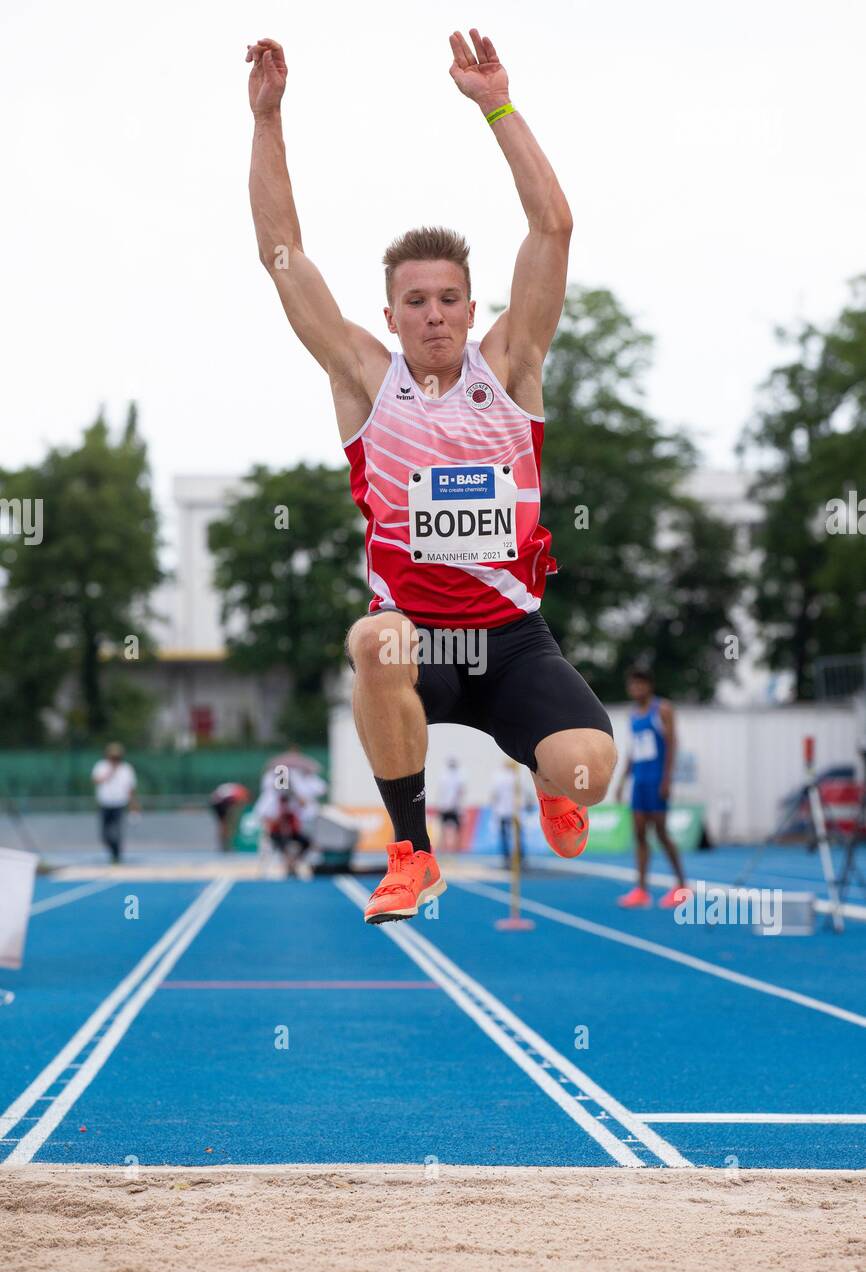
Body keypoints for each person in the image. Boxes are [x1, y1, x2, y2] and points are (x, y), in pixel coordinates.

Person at [247, 29, 617, 924]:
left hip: (513, 638)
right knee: (374, 642)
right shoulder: (366, 382)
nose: (435, 315)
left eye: (449, 298)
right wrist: (268, 120)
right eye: (415, 301)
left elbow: (553, 226)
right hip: (419, 640)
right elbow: (281, 254)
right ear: (392, 314)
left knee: (588, 772)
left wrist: (497, 104)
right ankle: (412, 854)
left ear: (472, 306)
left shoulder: (513, 367)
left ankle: (550, 783)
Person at [614, 666, 690, 908]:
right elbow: (632, 751)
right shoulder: (633, 715)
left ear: (649, 686)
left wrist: (667, 779)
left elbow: (672, 744)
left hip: (657, 779)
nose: (636, 689)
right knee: (639, 834)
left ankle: (681, 886)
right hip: (640, 781)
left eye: (640, 684)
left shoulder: (663, 709)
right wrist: (622, 781)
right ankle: (641, 889)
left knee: (661, 832)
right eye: (632, 685)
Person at [91, 743, 138, 864]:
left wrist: (133, 805)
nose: (114, 759)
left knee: (117, 832)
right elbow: (95, 780)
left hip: (119, 804)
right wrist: (110, 773)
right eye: (112, 756)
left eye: (117, 756)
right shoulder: (100, 766)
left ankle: (116, 855)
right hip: (105, 804)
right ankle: (113, 851)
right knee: (104, 834)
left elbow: (130, 788)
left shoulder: (126, 768)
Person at [489, 760, 527, 870]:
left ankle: (507, 858)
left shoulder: (498, 777)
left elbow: (494, 795)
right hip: (515, 811)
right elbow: (523, 793)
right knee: (517, 836)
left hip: (503, 811)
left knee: (506, 836)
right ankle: (520, 858)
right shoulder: (517, 777)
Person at [209, 782, 250, 852]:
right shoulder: (239, 793)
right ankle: (225, 845)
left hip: (218, 801)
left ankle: (224, 844)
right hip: (219, 803)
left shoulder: (234, 791)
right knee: (225, 826)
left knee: (224, 826)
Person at [436, 756, 466, 852]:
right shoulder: (458, 777)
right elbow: (460, 792)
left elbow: (441, 792)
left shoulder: (444, 776)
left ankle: (445, 849)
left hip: (446, 806)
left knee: (444, 829)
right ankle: (454, 849)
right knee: (455, 830)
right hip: (453, 807)